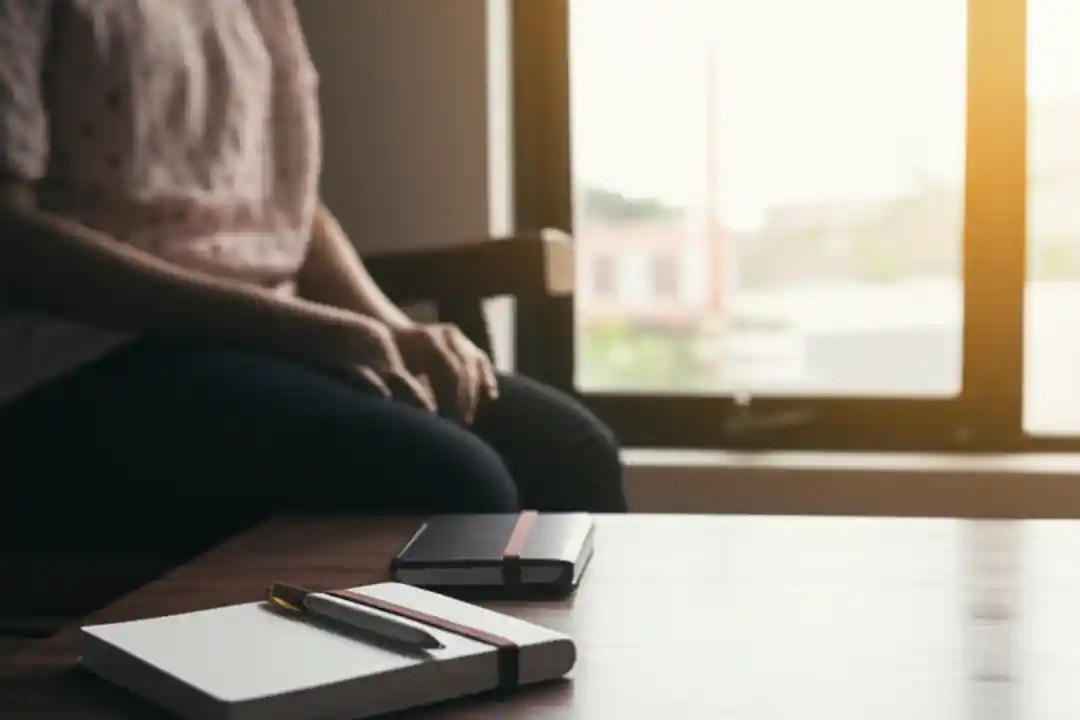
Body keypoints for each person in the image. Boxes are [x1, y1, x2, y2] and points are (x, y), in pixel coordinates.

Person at [0, 0, 626, 548]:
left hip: (263, 341)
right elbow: (12, 237)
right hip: (79, 356)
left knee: (568, 450)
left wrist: (387, 325)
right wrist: (295, 327)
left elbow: (289, 201)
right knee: (453, 484)